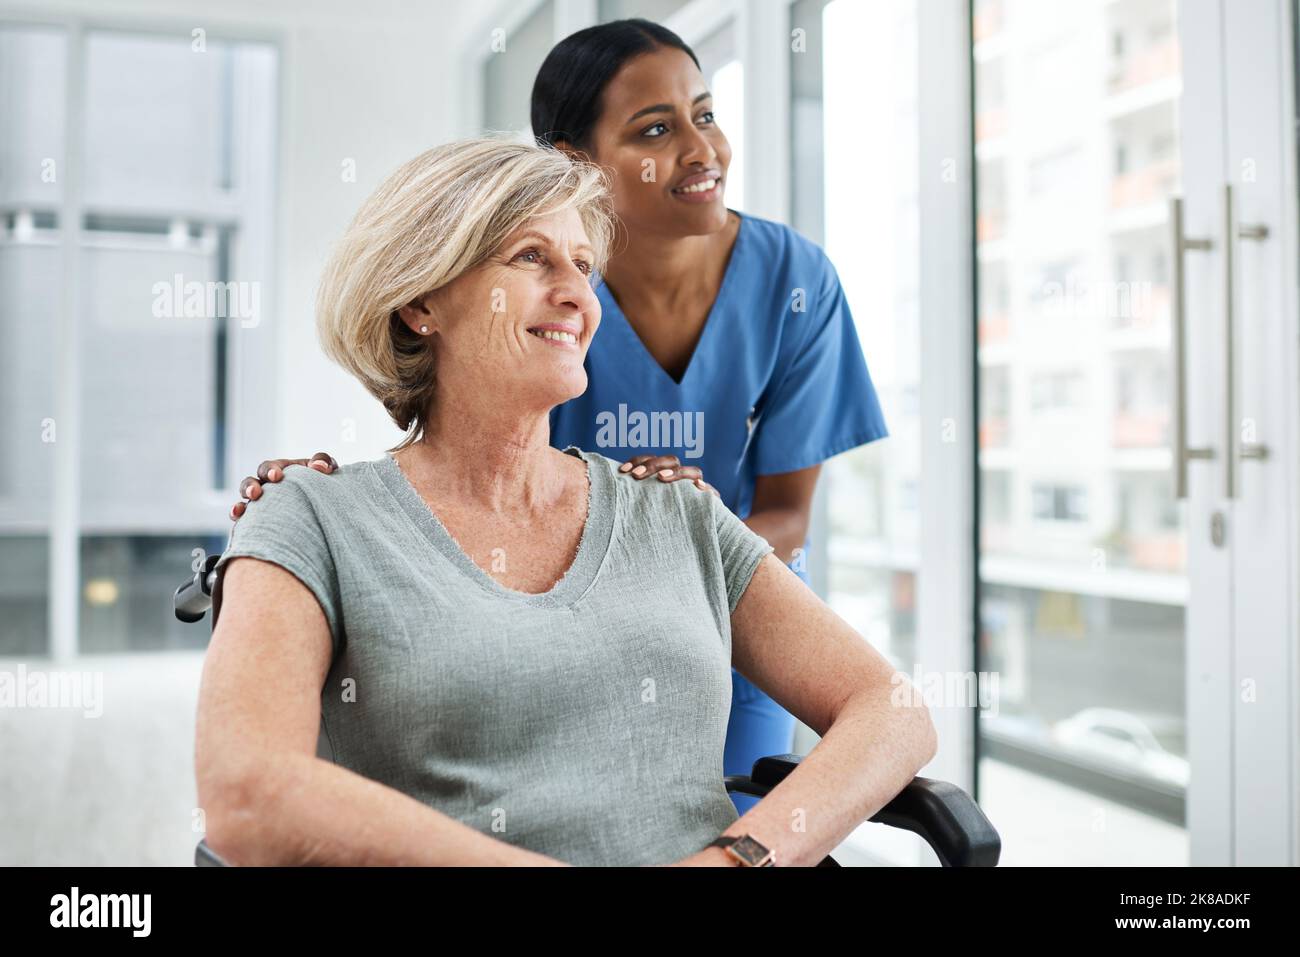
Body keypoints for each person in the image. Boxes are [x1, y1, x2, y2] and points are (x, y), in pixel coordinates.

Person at [195, 136, 934, 866]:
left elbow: (892, 711)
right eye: (529, 257)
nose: (578, 294)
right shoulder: (311, 516)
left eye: (583, 265)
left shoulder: (675, 511)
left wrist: (743, 856)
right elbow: (247, 792)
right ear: (422, 301)